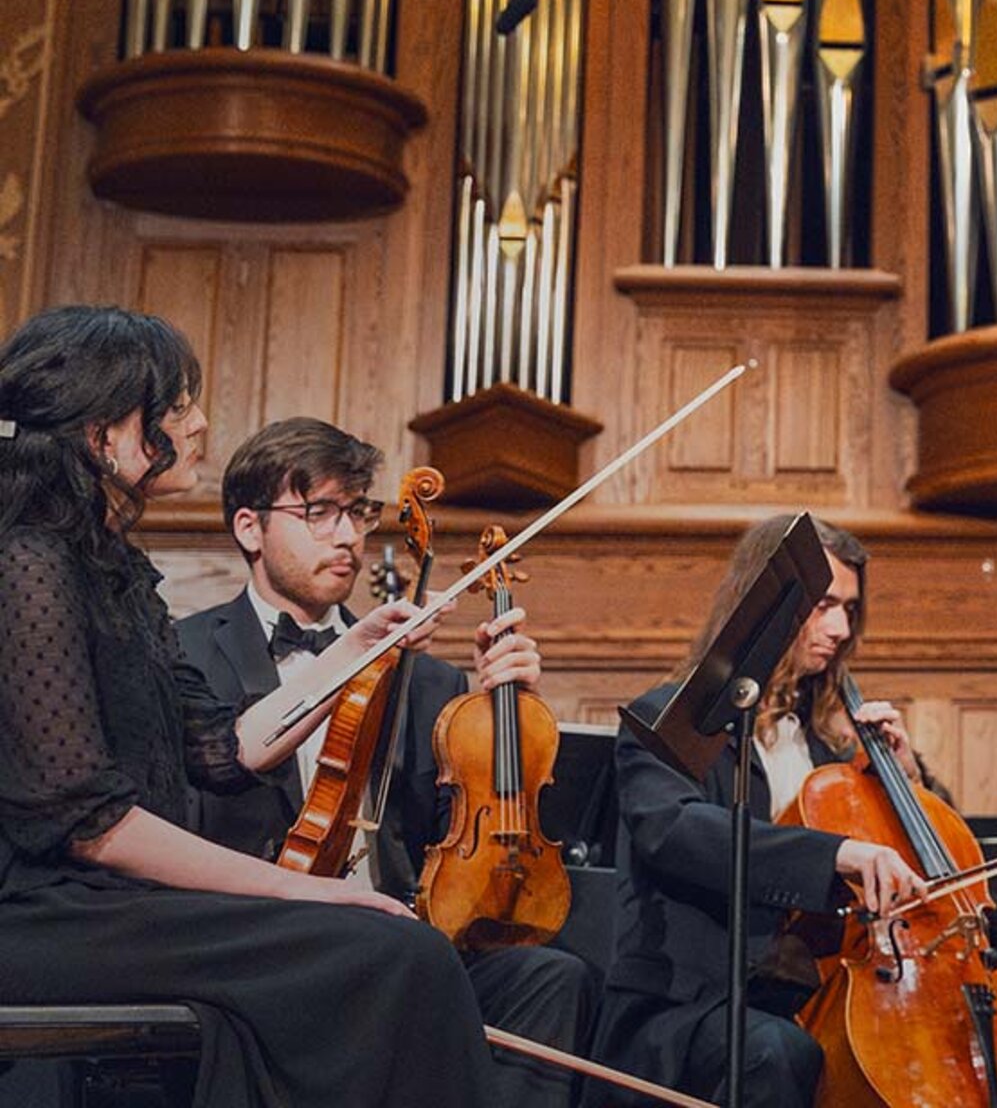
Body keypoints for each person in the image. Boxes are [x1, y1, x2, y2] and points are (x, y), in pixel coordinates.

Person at [0, 304, 496, 1108]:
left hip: (107, 907)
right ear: (102, 437)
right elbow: (89, 826)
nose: (198, 426)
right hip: (41, 914)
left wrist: (352, 648)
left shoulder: (116, 569)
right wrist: (309, 889)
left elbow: (224, 750)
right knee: (393, 952)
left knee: (393, 948)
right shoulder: (26, 561)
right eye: (177, 406)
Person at [176, 417, 596, 1108]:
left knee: (551, 977)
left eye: (358, 513)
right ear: (249, 528)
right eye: (318, 513)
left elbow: (458, 845)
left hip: (398, 938)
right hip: (262, 944)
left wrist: (501, 720)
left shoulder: (425, 681)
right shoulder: (188, 655)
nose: (346, 537)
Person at [593, 515, 931, 1108]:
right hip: (687, 1004)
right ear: (766, 607)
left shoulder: (835, 745)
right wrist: (837, 854)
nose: (840, 628)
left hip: (812, 993)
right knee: (782, 1054)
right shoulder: (671, 721)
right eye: (824, 604)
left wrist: (906, 782)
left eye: (850, 610)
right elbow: (674, 830)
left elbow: (938, 867)